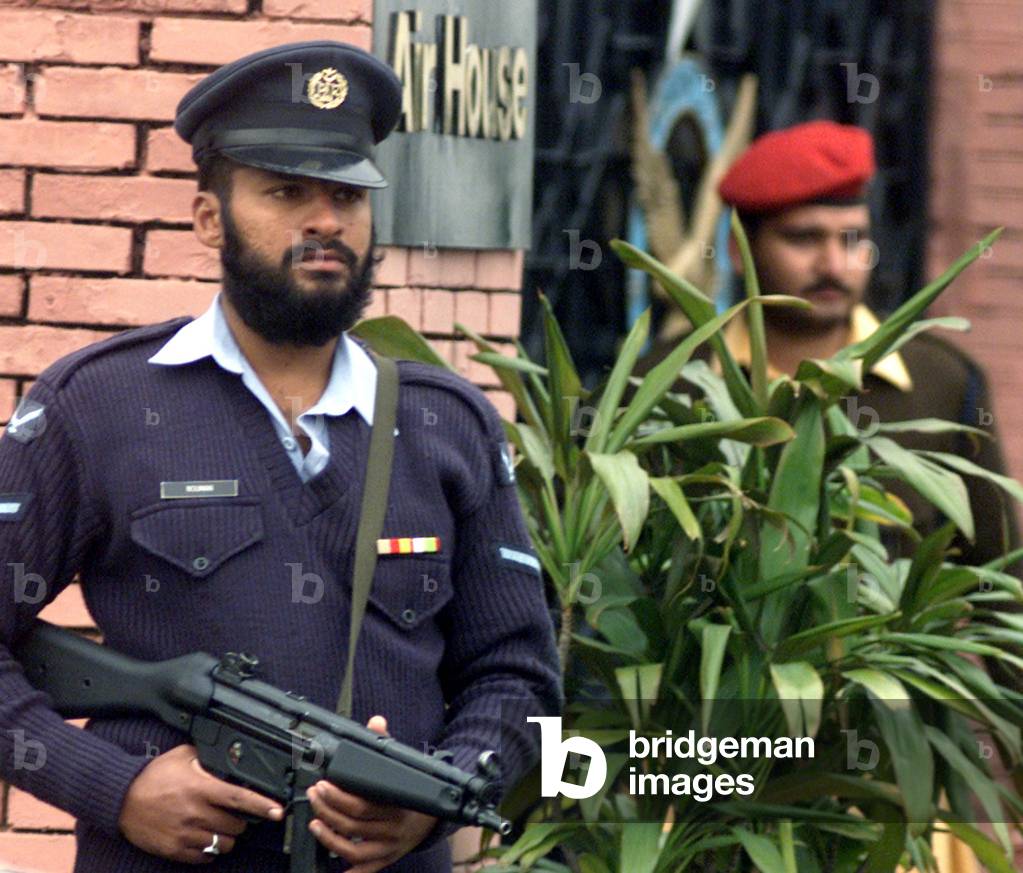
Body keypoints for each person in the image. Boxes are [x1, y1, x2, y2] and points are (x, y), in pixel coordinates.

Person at [0, 41, 561, 873]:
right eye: (285, 192)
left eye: (346, 195)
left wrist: (433, 802)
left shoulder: (450, 425)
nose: (325, 220)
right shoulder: (96, 404)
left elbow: (519, 676)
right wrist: (115, 788)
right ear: (207, 218)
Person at [703, 120, 1018, 567]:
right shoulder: (672, 383)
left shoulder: (941, 381)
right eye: (804, 238)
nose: (833, 264)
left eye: (852, 239)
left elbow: (999, 584)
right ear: (739, 250)